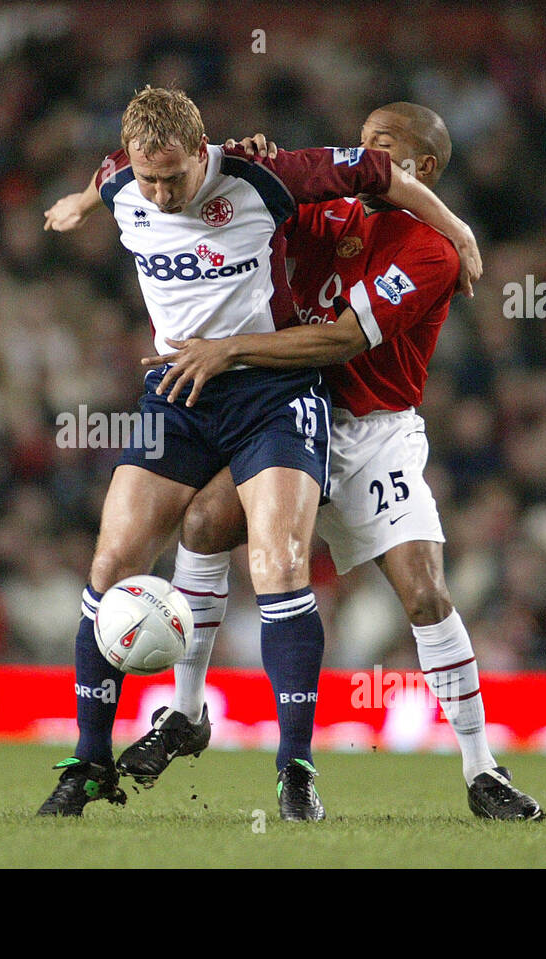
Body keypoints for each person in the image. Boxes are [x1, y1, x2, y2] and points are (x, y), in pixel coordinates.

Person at [38, 86, 481, 820]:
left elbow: (380, 177)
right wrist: (79, 205)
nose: (159, 191)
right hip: (177, 391)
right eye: (147, 178)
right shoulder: (124, 178)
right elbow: (106, 174)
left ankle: (295, 767)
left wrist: (460, 232)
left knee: (279, 565)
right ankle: (89, 760)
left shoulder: (267, 175)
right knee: (112, 565)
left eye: (173, 177)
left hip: (273, 392)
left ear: (203, 150)